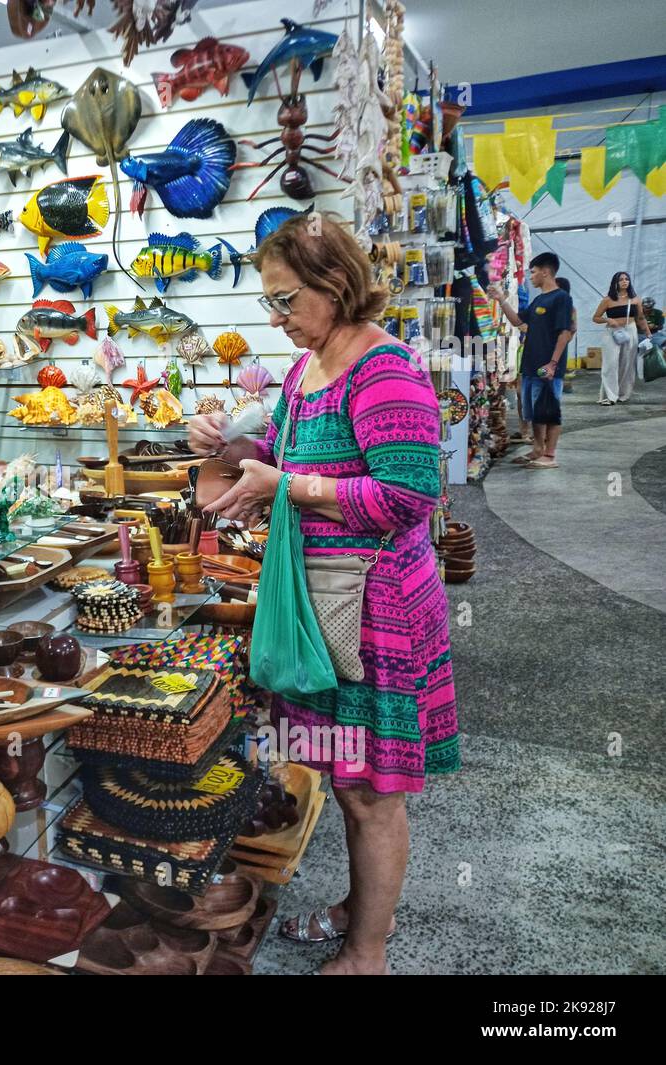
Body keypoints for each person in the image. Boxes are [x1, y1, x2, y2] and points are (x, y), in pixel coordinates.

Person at [189, 214, 459, 976]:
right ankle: (364, 907)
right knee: (347, 780)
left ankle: (367, 950)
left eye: (285, 301)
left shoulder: (384, 369)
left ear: (335, 285)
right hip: (331, 606)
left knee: (373, 792)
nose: (275, 319)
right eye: (268, 303)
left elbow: (411, 494)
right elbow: (282, 451)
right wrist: (233, 448)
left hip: (377, 613)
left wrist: (292, 487)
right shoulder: (309, 369)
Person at [488, 252, 573, 470]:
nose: (531, 276)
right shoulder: (538, 300)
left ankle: (550, 454)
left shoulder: (561, 298)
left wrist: (553, 363)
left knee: (550, 411)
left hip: (547, 367)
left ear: (546, 272)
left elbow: (565, 332)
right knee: (534, 412)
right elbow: (517, 321)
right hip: (531, 365)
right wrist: (501, 299)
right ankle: (537, 449)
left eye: (533, 272)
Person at [591, 271, 648, 405]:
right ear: (615, 283)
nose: (624, 281)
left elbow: (640, 317)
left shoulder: (635, 299)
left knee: (627, 364)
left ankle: (623, 394)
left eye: (626, 279)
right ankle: (610, 396)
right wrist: (607, 319)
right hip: (612, 332)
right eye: (621, 279)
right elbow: (595, 318)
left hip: (631, 330)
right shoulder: (607, 300)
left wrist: (648, 332)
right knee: (610, 364)